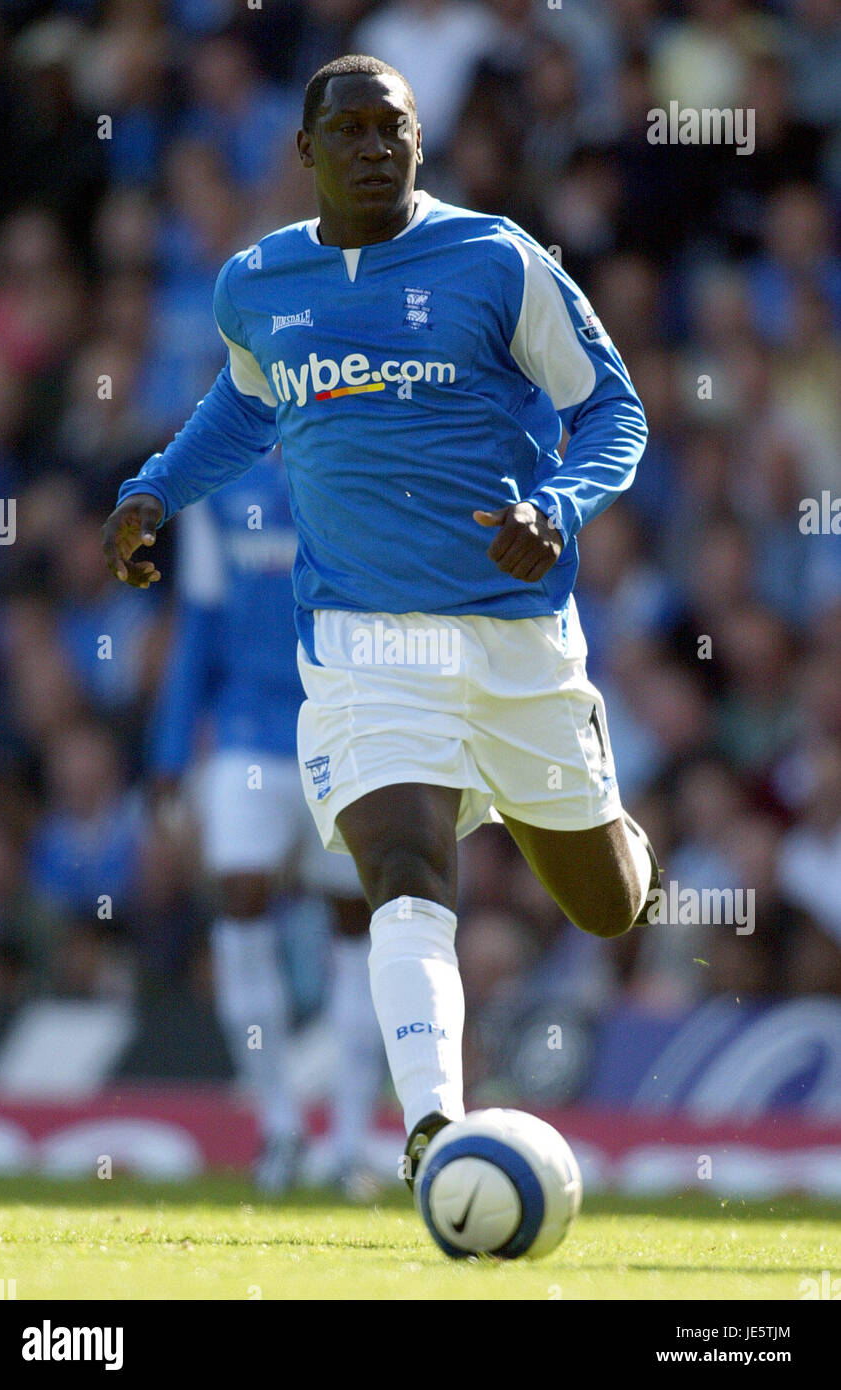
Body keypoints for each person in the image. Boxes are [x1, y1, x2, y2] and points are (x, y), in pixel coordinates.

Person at [103, 54, 659, 1187]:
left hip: (514, 642)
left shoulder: (497, 259)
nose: (370, 146)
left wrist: (555, 505)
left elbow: (613, 408)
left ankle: (611, 829)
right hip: (362, 644)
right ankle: (432, 1133)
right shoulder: (256, 283)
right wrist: (154, 488)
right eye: (346, 130)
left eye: (390, 127)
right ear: (305, 152)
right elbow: (242, 404)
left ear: (419, 139)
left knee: (606, 908)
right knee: (403, 869)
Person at [148, 459, 380, 1193]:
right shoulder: (220, 495)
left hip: (343, 731)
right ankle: (278, 1128)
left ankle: (348, 1141)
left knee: (359, 926)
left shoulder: (359, 467)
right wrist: (170, 750)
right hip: (248, 734)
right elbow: (198, 627)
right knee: (241, 896)